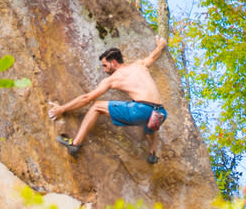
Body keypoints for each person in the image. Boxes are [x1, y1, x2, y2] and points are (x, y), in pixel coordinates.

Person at [48, 36, 168, 164]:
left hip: (141, 111)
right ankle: (152, 153)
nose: (105, 70)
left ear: (114, 62)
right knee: (150, 127)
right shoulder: (139, 66)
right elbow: (153, 57)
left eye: (105, 65)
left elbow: (87, 98)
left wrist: (62, 109)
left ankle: (75, 144)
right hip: (160, 112)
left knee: (96, 106)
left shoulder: (113, 78)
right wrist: (161, 45)